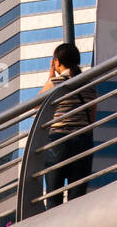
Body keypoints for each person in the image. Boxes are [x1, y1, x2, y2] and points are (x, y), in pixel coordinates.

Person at [39, 42, 97, 207]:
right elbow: (91, 118)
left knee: (53, 198)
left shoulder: (56, 82)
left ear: (56, 62)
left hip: (58, 143)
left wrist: (50, 78)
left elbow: (36, 105)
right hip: (83, 143)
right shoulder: (88, 84)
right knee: (77, 199)